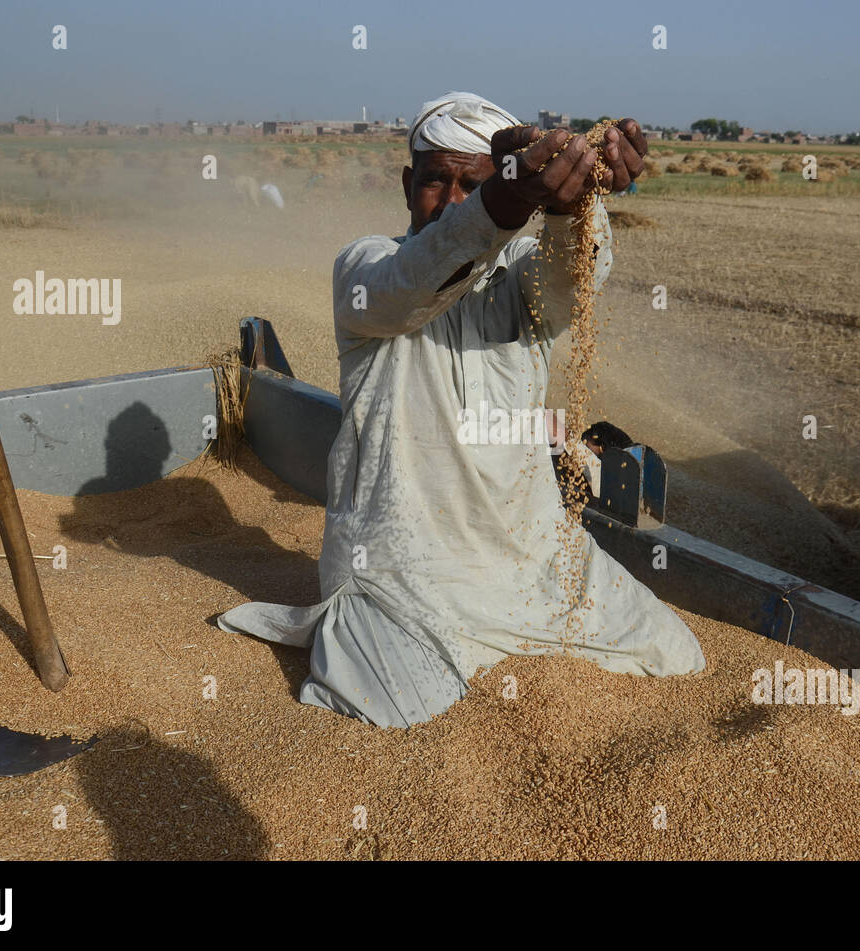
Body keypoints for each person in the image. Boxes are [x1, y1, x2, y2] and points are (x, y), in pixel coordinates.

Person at [216, 92, 705, 728]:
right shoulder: (367, 270)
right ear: (405, 183)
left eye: (470, 184)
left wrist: (571, 205)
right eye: (434, 181)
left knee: (677, 655)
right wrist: (500, 198)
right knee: (389, 708)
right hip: (403, 573)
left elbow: (572, 280)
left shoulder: (523, 277)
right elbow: (419, 280)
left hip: (534, 563)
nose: (450, 200)